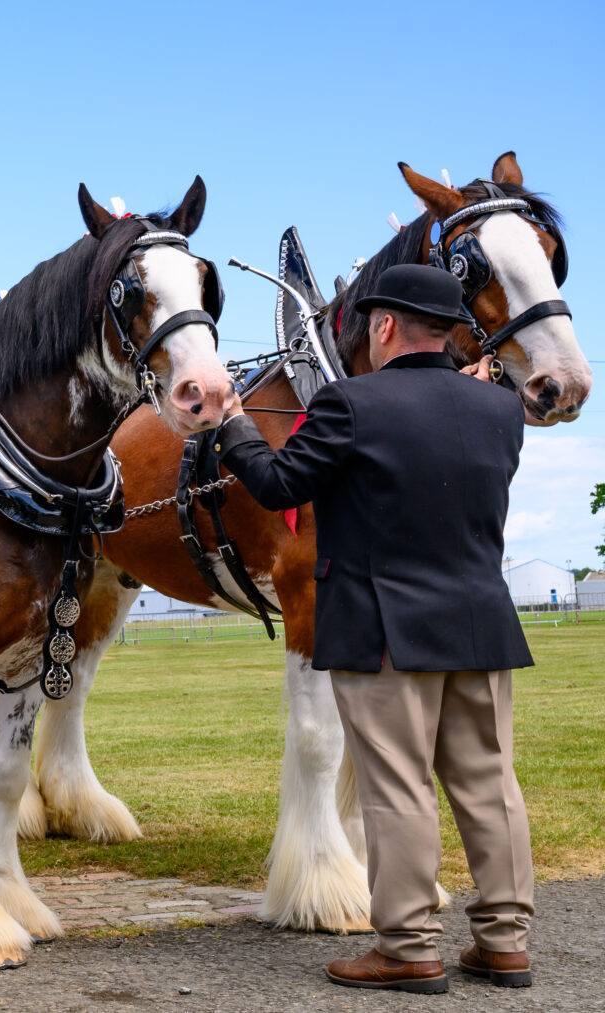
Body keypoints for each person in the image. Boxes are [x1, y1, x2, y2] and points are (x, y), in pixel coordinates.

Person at [215, 263, 534, 993]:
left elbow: (277, 485)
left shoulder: (348, 403)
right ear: (452, 332)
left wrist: (234, 424)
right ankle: (506, 940)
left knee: (398, 789)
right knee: (491, 786)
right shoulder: (500, 411)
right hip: (483, 625)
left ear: (384, 325)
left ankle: (409, 945)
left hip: (388, 628)